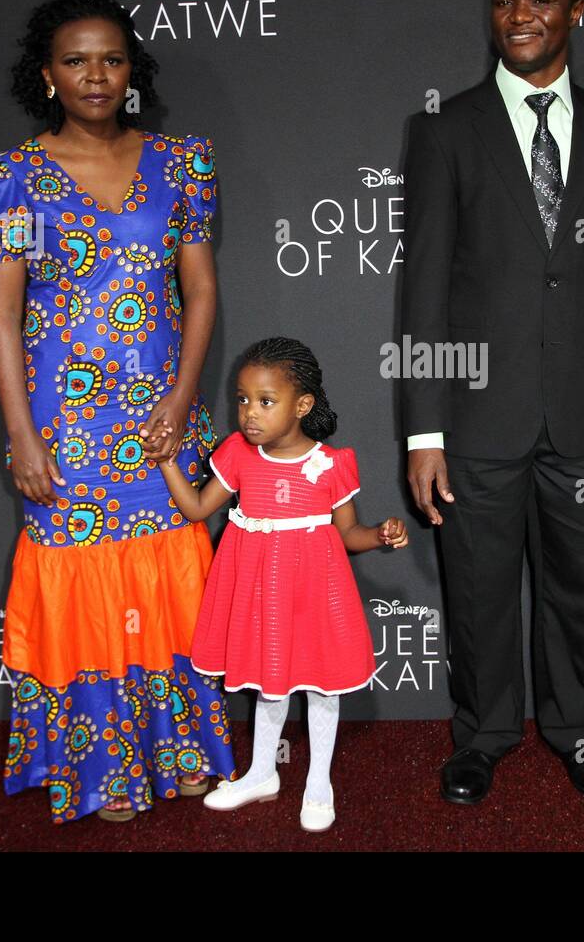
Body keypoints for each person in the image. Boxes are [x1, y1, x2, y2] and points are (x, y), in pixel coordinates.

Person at [0, 0, 236, 824]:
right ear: (46, 75)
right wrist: (22, 434)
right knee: (80, 581)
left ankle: (184, 750)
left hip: (159, 409)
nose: (95, 75)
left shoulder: (182, 161)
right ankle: (104, 765)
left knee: (171, 572)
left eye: (111, 59)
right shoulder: (8, 178)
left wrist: (184, 400)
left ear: (132, 70)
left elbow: (202, 289)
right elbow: (1, 316)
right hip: (64, 425)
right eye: (75, 61)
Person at [400, 0, 584, 805]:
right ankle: (481, 735)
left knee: (579, 584)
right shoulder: (445, 129)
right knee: (476, 589)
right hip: (475, 415)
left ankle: (578, 730)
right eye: (506, 0)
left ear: (574, 11)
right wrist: (426, 428)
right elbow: (426, 287)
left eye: (541, 0)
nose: (521, 15)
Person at [154, 337, 408, 832]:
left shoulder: (332, 464)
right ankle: (261, 772)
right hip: (259, 593)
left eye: (265, 401)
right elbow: (197, 509)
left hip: (314, 593)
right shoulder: (237, 455)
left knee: (321, 687)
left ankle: (319, 781)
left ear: (303, 405)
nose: (250, 413)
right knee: (269, 686)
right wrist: (166, 462)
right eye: (243, 399)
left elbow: (348, 533)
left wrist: (379, 535)